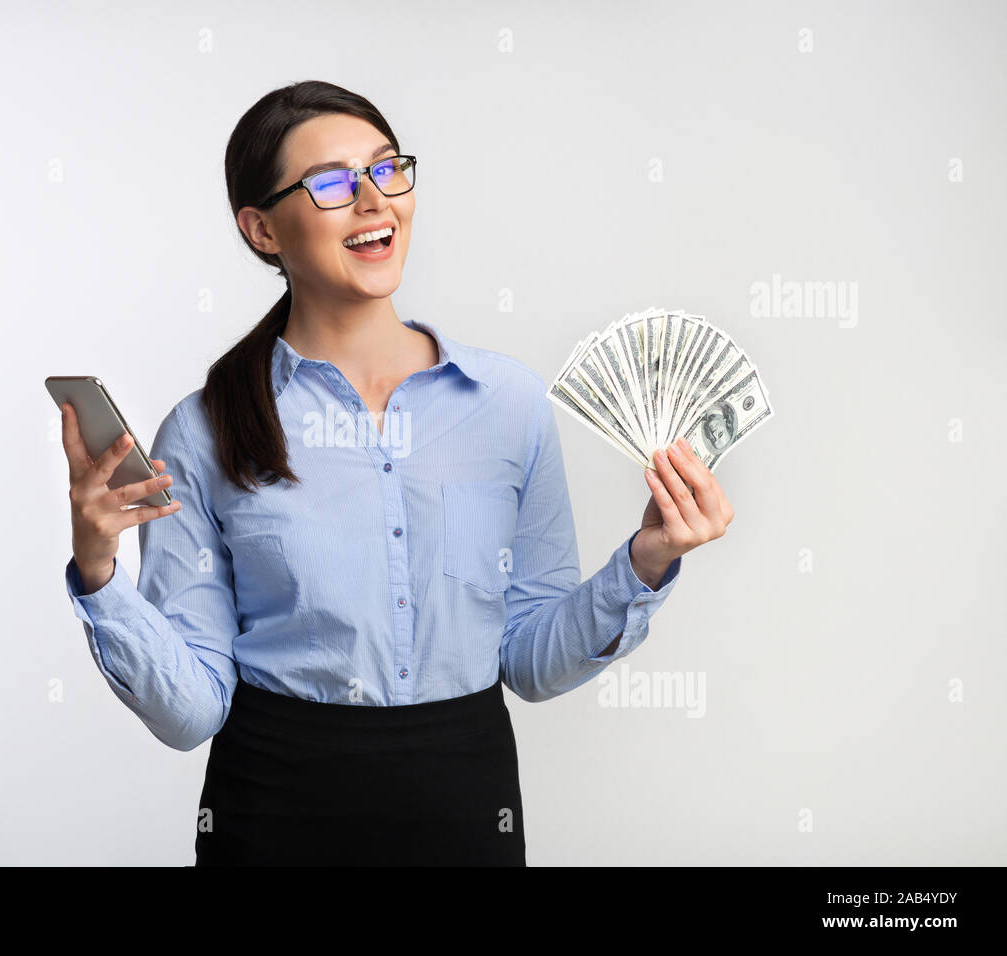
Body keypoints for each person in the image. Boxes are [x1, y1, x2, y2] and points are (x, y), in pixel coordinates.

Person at [59, 80, 734, 866]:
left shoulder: (506, 405)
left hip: (468, 808)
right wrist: (99, 571)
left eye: (388, 170)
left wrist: (646, 562)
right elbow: (189, 713)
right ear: (262, 228)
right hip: (271, 813)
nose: (374, 201)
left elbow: (531, 662)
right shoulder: (206, 430)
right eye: (334, 184)